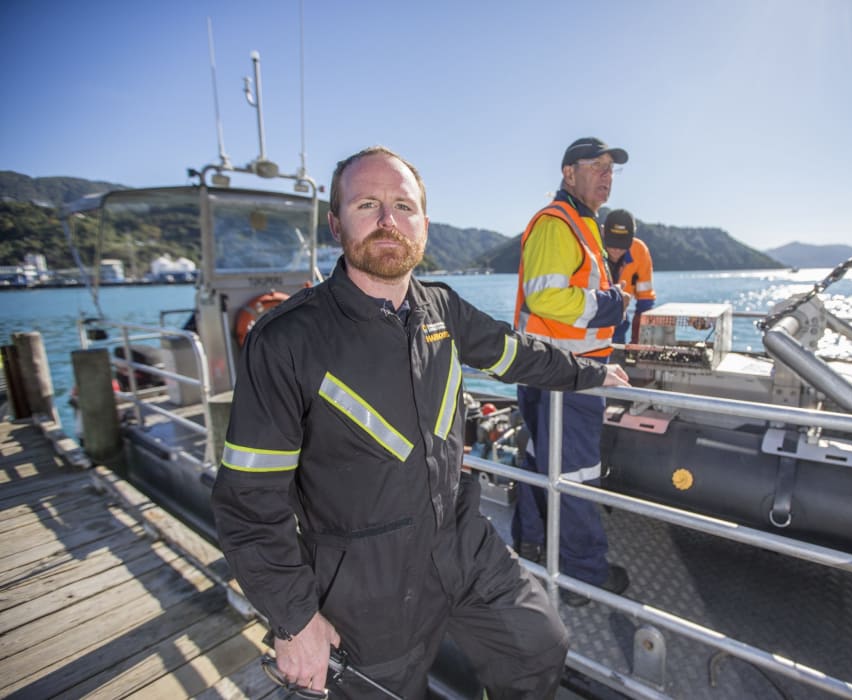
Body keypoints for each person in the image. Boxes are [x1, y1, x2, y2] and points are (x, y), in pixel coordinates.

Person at [210, 146, 631, 699]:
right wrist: (294, 621)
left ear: (424, 226)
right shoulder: (287, 339)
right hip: (364, 576)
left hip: (459, 540)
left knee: (537, 645)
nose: (389, 220)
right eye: (368, 204)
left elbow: (518, 353)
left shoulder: (443, 310)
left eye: (403, 206)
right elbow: (249, 505)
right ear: (336, 224)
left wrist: (591, 374)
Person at [512, 137, 632, 607]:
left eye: (611, 169)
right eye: (596, 166)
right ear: (568, 173)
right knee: (575, 474)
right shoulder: (557, 223)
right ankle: (583, 578)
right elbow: (547, 298)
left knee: (542, 462)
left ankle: (532, 547)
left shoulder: (583, 225)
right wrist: (613, 304)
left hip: (558, 369)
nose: (606, 176)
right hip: (565, 376)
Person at [602, 209, 656, 344]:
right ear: (603, 233)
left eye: (622, 243)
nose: (616, 248)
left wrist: (638, 342)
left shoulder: (640, 251)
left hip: (619, 322)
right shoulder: (588, 247)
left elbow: (645, 300)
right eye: (612, 242)